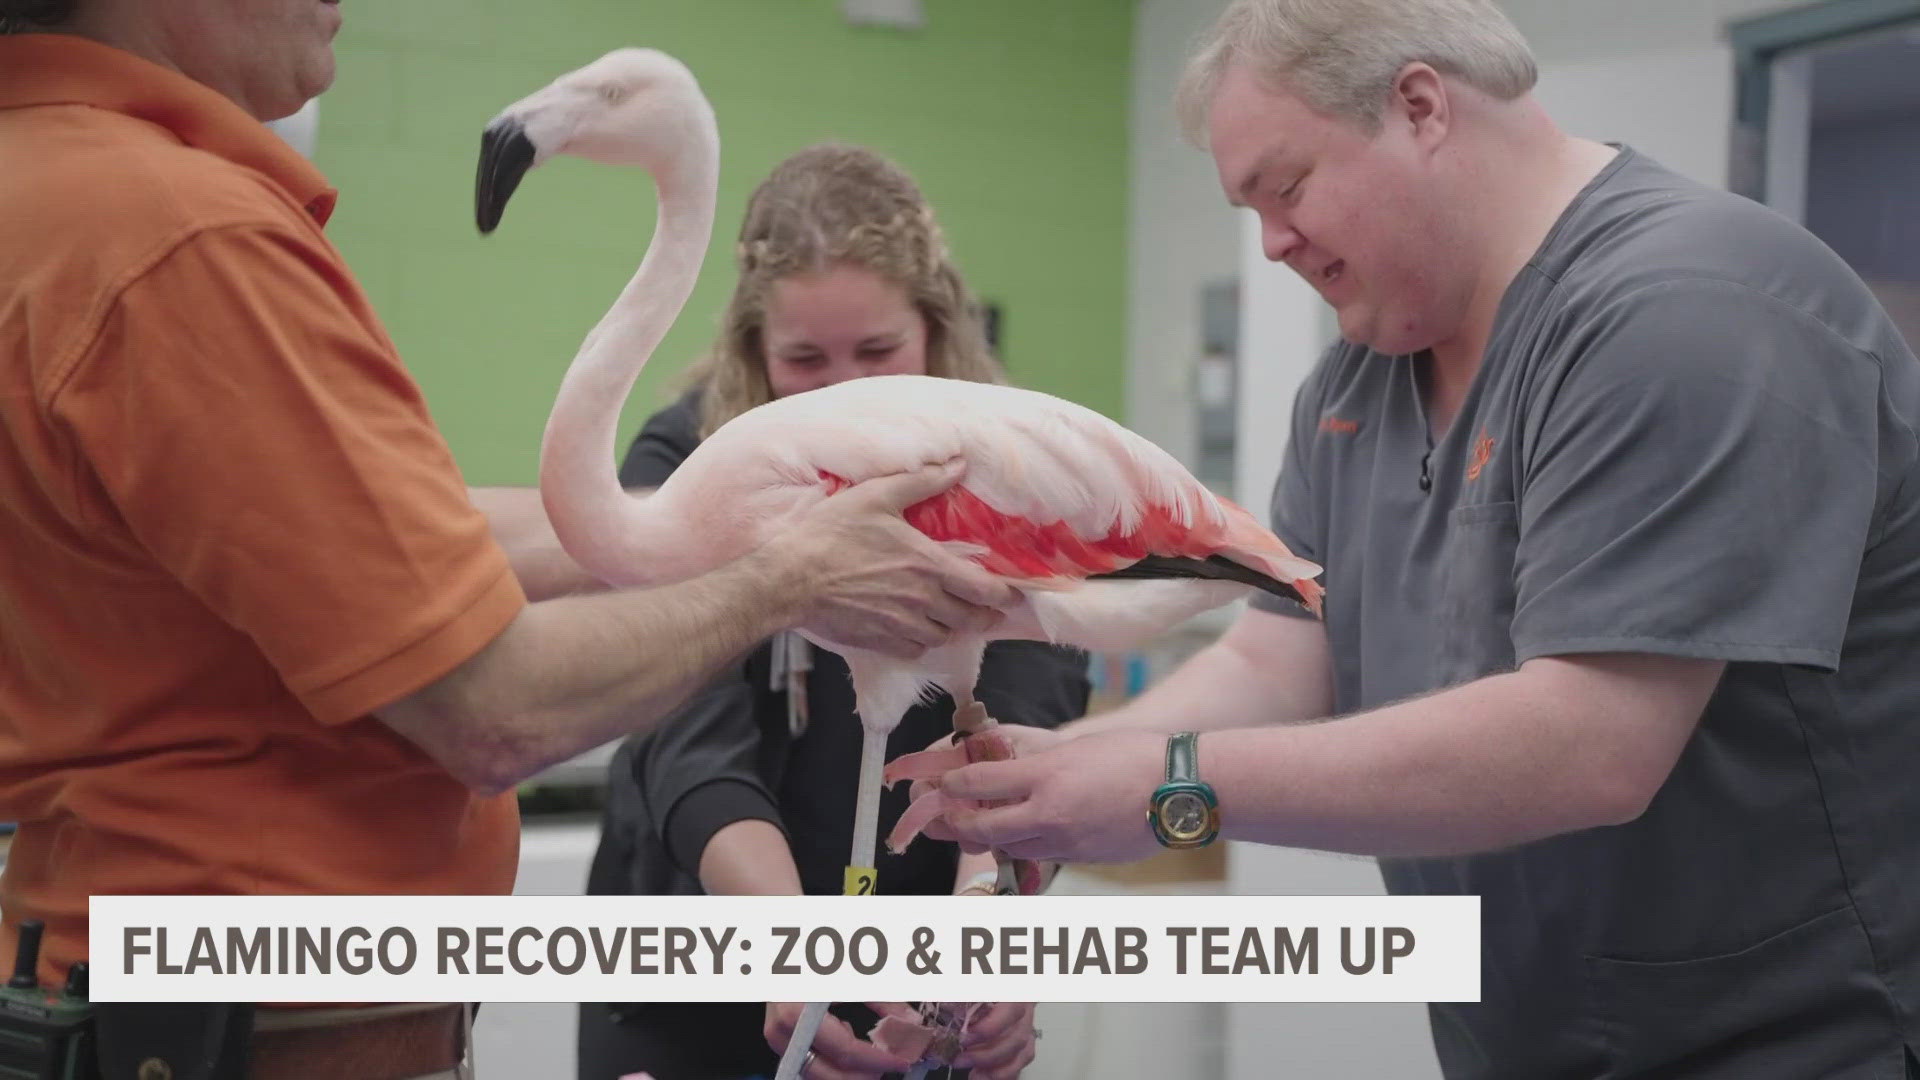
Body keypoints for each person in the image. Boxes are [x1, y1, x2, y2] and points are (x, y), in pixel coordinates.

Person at [0, 4, 1014, 1076]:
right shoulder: (175, 237)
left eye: (876, 349)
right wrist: (790, 574)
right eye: (808, 357)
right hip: (263, 1016)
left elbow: (369, 550)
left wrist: (738, 525)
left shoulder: (50, 192)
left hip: (130, 969)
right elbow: (495, 709)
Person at [912, 2, 1920, 1078]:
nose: (1274, 243)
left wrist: (1171, 790)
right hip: (1521, 1037)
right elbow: (1280, 652)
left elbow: (1593, 742)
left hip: (1783, 1041)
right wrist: (1072, 769)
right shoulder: (1362, 377)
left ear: (1421, 108)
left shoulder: (1687, 314)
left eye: (1287, 189)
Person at [576, 144, 1075, 1080]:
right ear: (752, 351)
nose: (847, 392)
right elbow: (685, 730)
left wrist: (991, 926)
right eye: (805, 359)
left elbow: (1024, 709)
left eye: (878, 352)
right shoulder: (683, 462)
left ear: (935, 327)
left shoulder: (1008, 458)